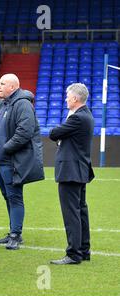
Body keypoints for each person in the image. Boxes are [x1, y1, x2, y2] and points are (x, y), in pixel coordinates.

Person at [0, 73, 44, 250]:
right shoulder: (4, 105)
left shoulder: (22, 104)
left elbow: (25, 131)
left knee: (15, 197)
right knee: (8, 197)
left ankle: (16, 234)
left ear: (13, 87)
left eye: (2, 84)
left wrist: (6, 148)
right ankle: (12, 231)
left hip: (11, 161)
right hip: (0, 161)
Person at [49, 83, 94, 265]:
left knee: (71, 213)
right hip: (80, 169)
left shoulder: (77, 118)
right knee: (81, 210)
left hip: (71, 170)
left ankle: (74, 253)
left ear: (75, 99)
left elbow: (54, 133)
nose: (66, 99)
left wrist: (61, 132)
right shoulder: (86, 115)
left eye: (68, 97)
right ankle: (83, 249)